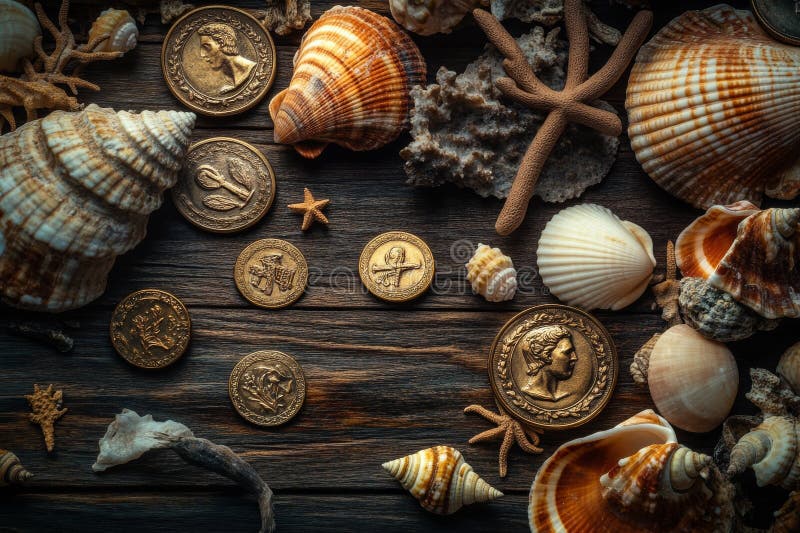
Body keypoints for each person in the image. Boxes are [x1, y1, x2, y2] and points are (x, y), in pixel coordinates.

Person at [519, 325, 578, 402]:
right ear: (545, 355)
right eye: (568, 352)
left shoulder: (565, 396)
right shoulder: (527, 393)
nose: (575, 357)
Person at [197, 23, 256, 94]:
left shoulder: (255, 70)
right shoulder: (229, 84)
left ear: (223, 43)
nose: (202, 54)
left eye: (206, 47)